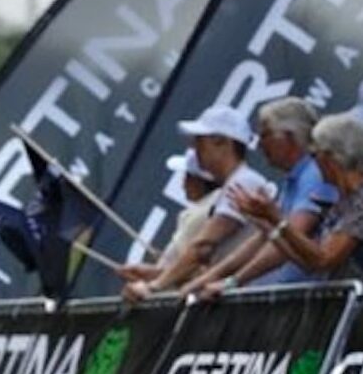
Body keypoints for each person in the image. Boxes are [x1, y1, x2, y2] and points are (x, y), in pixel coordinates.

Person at [121, 105, 271, 302]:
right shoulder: (236, 183)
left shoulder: (244, 182)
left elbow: (202, 247)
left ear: (222, 142)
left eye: (200, 141)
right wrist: (155, 275)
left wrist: (154, 286)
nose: (194, 148)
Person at [187, 97, 327, 297]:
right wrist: (213, 278)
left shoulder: (314, 175)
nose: (260, 144)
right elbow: (263, 238)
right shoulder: (293, 180)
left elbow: (289, 239)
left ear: (289, 137)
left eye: (266, 135)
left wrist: (231, 282)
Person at [232, 113, 363, 280]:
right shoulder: (343, 202)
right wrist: (270, 224)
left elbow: (324, 259)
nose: (313, 163)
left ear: (329, 157)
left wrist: (277, 219)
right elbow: (310, 263)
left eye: (314, 155)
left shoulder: (359, 201)